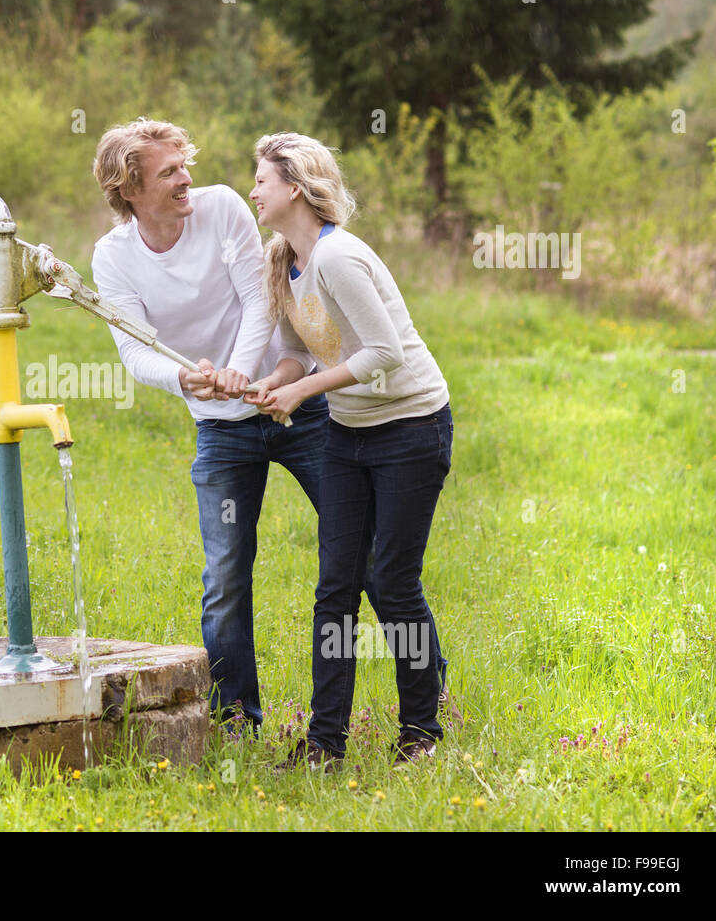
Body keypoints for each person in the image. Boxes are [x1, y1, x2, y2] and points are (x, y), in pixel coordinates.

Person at [88, 118, 452, 735]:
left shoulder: (226, 210)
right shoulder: (112, 257)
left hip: (305, 412)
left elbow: (261, 301)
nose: (187, 178)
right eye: (169, 171)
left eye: (184, 163)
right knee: (225, 575)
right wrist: (188, 380)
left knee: (368, 564)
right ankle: (237, 718)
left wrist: (253, 376)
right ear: (129, 188)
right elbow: (135, 350)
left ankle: (426, 683)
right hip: (222, 427)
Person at [243, 132, 454, 768]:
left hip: (412, 428)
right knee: (334, 587)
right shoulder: (283, 260)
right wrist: (274, 383)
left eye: (262, 180)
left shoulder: (339, 257)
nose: (253, 190)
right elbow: (298, 352)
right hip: (347, 434)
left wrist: (303, 391)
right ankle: (324, 744)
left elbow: (384, 352)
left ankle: (421, 731)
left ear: (299, 188)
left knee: (391, 582)